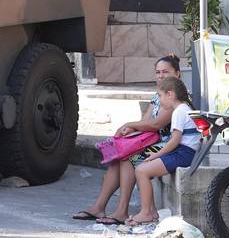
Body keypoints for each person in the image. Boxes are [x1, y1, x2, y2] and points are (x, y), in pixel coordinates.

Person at [72, 54, 181, 225]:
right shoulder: (158, 95)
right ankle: (99, 206)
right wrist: (131, 128)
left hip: (170, 146)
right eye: (158, 72)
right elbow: (146, 121)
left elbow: (156, 124)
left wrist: (130, 123)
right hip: (154, 142)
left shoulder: (175, 95)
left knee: (128, 158)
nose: (161, 76)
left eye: (165, 72)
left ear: (177, 74)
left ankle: (122, 211)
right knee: (118, 156)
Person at [127, 77, 199, 226]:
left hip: (184, 154)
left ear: (170, 95)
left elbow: (175, 140)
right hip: (184, 152)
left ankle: (147, 212)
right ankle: (150, 212)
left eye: (160, 96)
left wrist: (157, 155)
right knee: (142, 169)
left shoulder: (179, 111)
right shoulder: (185, 108)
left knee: (141, 171)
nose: (159, 101)